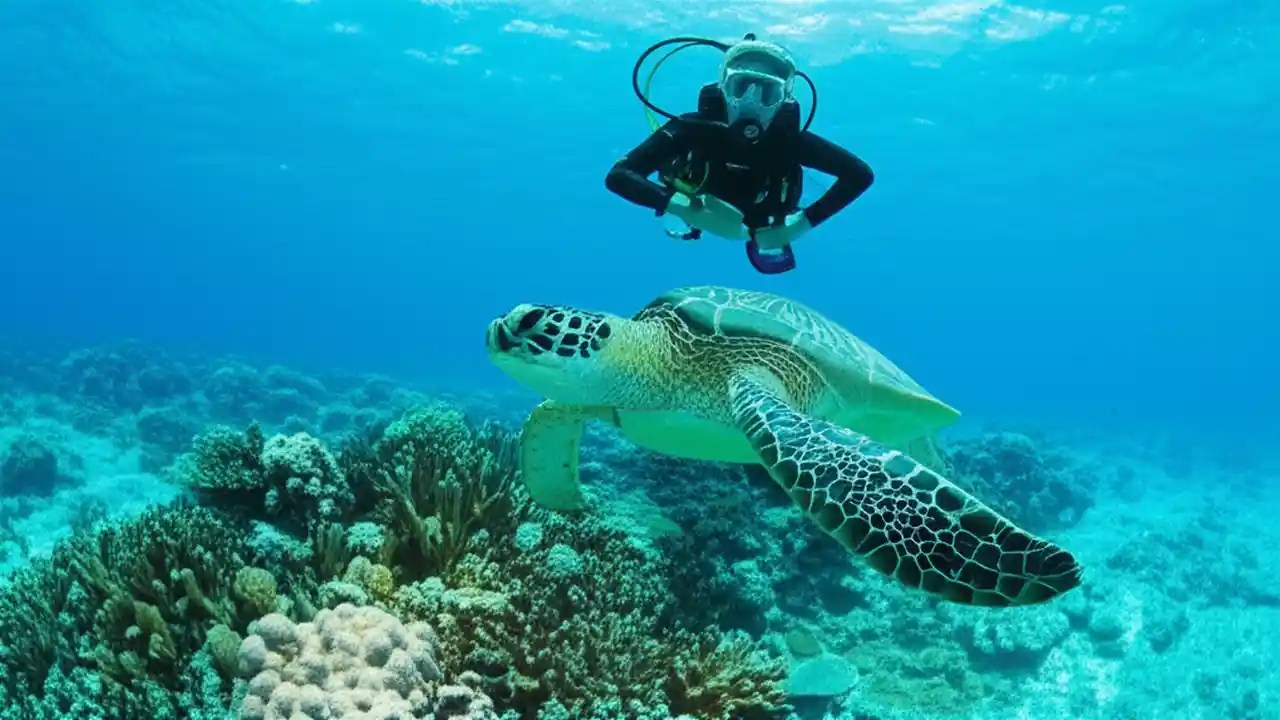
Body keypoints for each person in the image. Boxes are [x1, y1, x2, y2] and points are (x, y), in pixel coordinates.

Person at [606, 34, 875, 274]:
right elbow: (620, 175)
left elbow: (860, 175)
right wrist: (682, 208)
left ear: (783, 99)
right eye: (741, 86)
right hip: (699, 200)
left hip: (763, 217)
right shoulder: (692, 128)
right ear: (723, 88)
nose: (751, 102)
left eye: (767, 92)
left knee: (770, 233)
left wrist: (799, 225)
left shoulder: (791, 142)